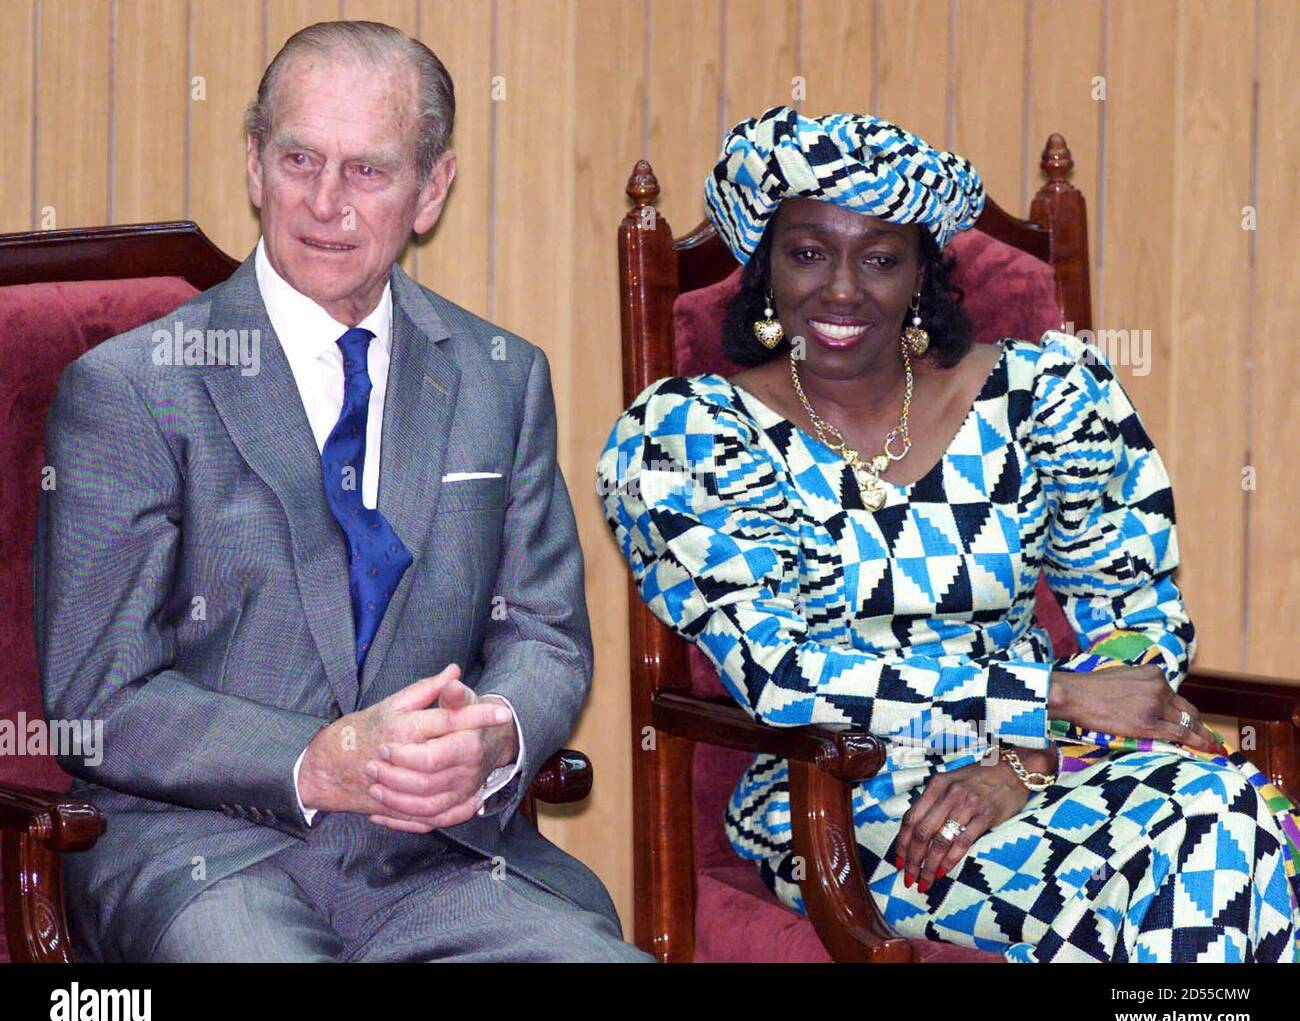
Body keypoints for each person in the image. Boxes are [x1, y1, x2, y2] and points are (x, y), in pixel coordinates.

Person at [598, 106, 1300, 962]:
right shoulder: (689, 436)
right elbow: (781, 673)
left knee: (1223, 819)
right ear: (765, 269)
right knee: (1216, 854)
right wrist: (1050, 696)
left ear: (926, 272)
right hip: (845, 792)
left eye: (882, 258)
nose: (843, 289)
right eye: (809, 253)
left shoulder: (1044, 395)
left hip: (1052, 764)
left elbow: (1137, 617)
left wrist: (1027, 755)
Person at [34, 19, 648, 963]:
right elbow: (99, 697)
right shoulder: (132, 388)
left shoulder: (499, 376)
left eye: (368, 171)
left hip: (439, 861)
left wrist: (492, 740)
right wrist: (311, 761)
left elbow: (542, 632)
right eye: (298, 159)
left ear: (431, 188)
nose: (325, 203)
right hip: (208, 857)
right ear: (253, 165)